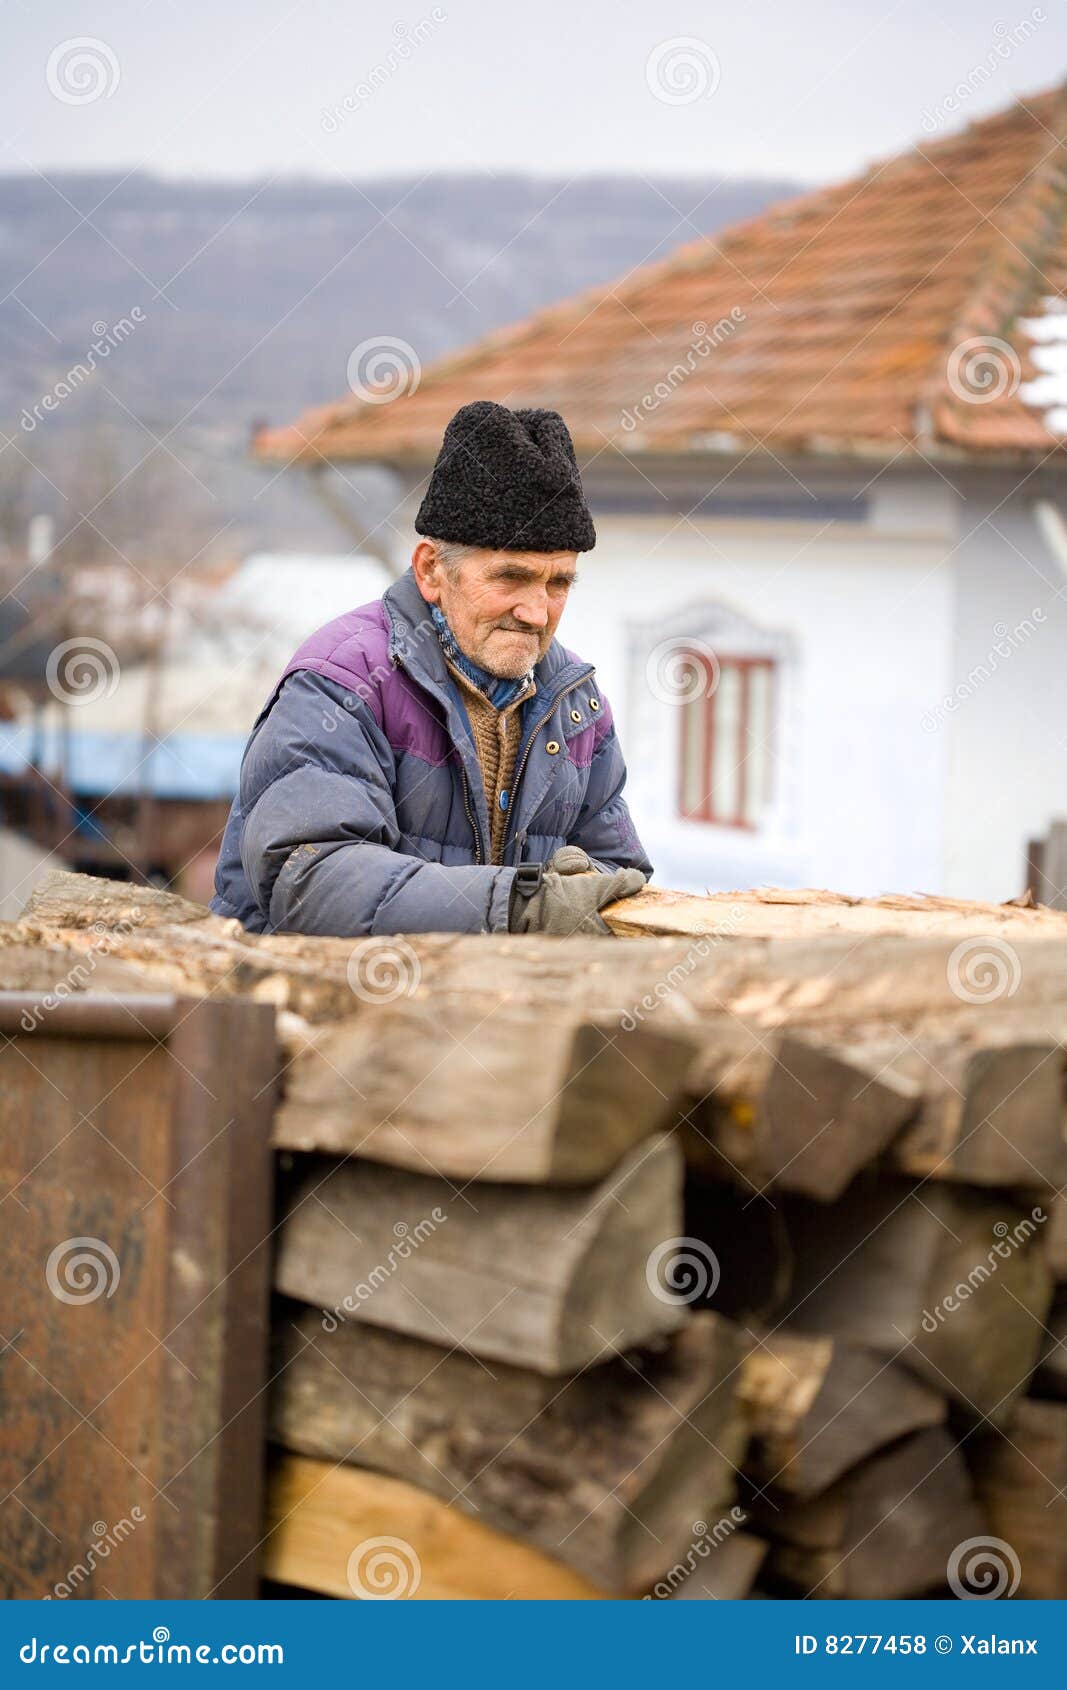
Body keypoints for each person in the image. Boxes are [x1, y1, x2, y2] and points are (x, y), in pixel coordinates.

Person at [211, 399, 652, 937]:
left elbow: (622, 875)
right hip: (313, 990)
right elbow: (310, 880)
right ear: (430, 571)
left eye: (558, 583)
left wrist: (580, 888)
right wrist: (519, 904)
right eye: (510, 578)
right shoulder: (341, 685)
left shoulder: (577, 704)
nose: (538, 613)